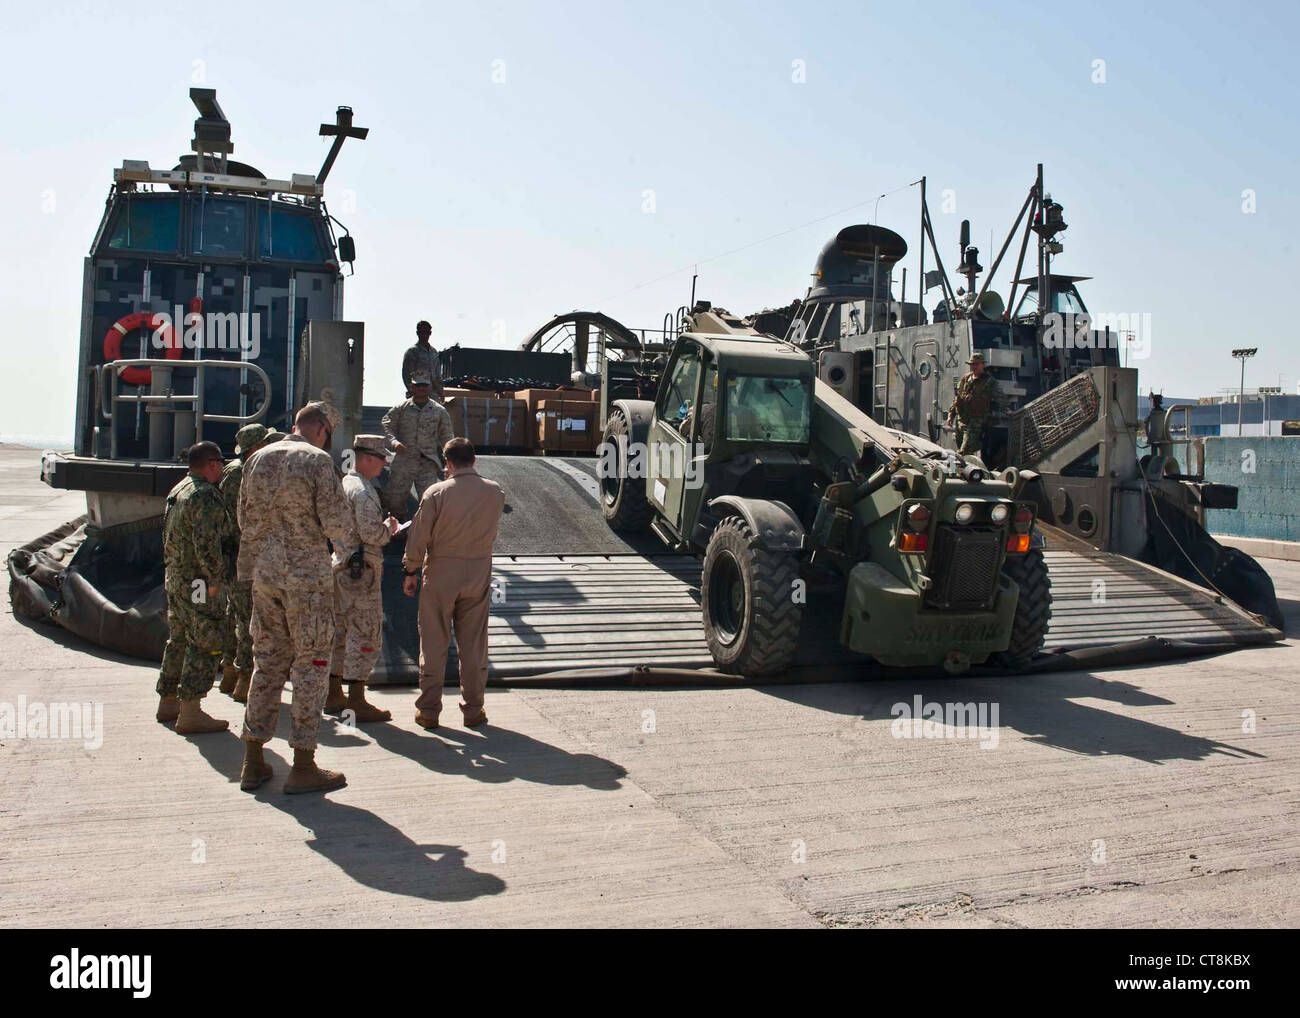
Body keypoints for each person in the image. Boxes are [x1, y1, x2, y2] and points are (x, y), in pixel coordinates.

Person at [237, 401, 359, 794]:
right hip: (306, 581)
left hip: (265, 577)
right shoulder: (317, 462)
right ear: (322, 428)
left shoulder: (257, 459)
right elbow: (337, 522)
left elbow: (244, 518)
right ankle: (303, 764)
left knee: (268, 661)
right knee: (312, 664)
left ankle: (253, 760)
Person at [402, 438, 505, 730]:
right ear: (474, 460)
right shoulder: (495, 491)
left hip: (440, 571)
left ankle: (429, 712)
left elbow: (419, 536)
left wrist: (410, 570)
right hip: (478, 570)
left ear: (447, 463)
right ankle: (473, 711)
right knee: (473, 646)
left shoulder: (436, 492)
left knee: (434, 642)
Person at [155, 441, 235, 734]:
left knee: (178, 638)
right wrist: (216, 581)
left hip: (176, 578)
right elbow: (207, 546)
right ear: (212, 464)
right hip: (199, 582)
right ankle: (190, 710)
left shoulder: (180, 489)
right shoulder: (204, 496)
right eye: (221, 463)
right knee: (205, 640)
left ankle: (168, 701)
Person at [325, 434, 401, 723]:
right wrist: (389, 528)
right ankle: (356, 699)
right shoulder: (365, 492)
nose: (384, 465)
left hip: (341, 565)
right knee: (365, 634)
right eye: (381, 459)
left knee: (340, 633)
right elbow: (371, 534)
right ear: (367, 458)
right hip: (362, 573)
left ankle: (334, 693)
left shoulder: (344, 483)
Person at [218, 423, 280, 702]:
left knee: (235, 615)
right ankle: (244, 679)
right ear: (256, 447)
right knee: (248, 620)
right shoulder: (245, 473)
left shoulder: (233, 470)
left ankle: (230, 674)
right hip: (246, 555)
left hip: (233, 555)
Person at [381, 373, 454, 521]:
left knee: (429, 501)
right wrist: (394, 441)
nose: (421, 388)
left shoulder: (439, 411)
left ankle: (424, 533)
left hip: (427, 463)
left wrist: (450, 463)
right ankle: (397, 530)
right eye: (418, 385)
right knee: (394, 499)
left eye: (424, 385)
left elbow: (447, 438)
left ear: (429, 387)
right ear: (411, 387)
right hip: (404, 461)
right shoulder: (401, 408)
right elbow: (387, 423)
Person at [946, 352, 1001, 456]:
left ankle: (960, 468)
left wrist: (1007, 410)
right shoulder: (965, 379)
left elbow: (999, 397)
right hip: (961, 420)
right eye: (972, 364)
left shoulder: (989, 381)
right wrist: (951, 415)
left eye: (976, 364)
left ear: (982, 365)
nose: (974, 366)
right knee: (962, 447)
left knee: (964, 451)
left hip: (975, 421)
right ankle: (974, 451)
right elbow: (957, 398)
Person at [402, 320, 444, 399]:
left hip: (433, 396)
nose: (424, 335)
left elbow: (438, 375)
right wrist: (413, 393)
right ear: (417, 333)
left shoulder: (434, 352)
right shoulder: (412, 352)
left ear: (430, 333)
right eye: (422, 332)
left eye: (427, 332)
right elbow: (407, 375)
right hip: (417, 395)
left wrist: (441, 392)